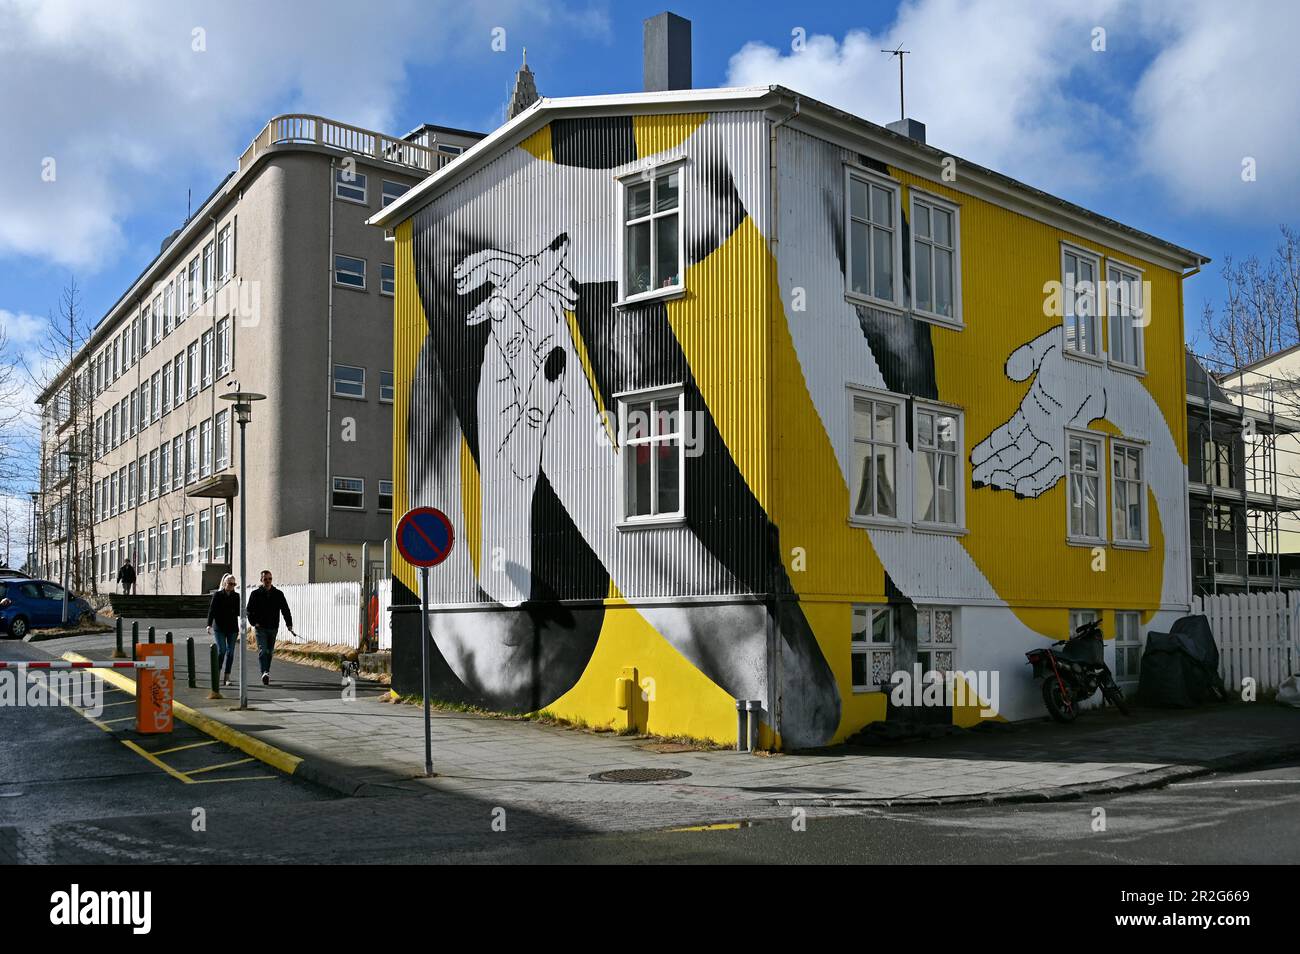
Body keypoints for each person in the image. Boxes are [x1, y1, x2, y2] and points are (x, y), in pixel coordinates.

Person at [246, 569, 294, 686]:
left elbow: (285, 610)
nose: (268, 581)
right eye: (265, 579)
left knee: (269, 651)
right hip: (260, 627)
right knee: (263, 650)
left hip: (273, 627)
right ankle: (264, 673)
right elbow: (249, 611)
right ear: (261, 580)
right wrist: (254, 623)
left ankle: (266, 671)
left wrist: (289, 624)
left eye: (269, 579)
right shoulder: (255, 594)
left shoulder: (278, 594)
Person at [206, 574, 241, 687]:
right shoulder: (217, 595)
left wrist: (246, 613)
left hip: (232, 628)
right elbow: (212, 610)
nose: (232, 586)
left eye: (234, 584)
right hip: (219, 628)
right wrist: (209, 624)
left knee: (230, 653)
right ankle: (217, 673)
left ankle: (227, 677)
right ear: (224, 583)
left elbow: (238, 611)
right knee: (222, 651)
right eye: (230, 583)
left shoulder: (236, 596)